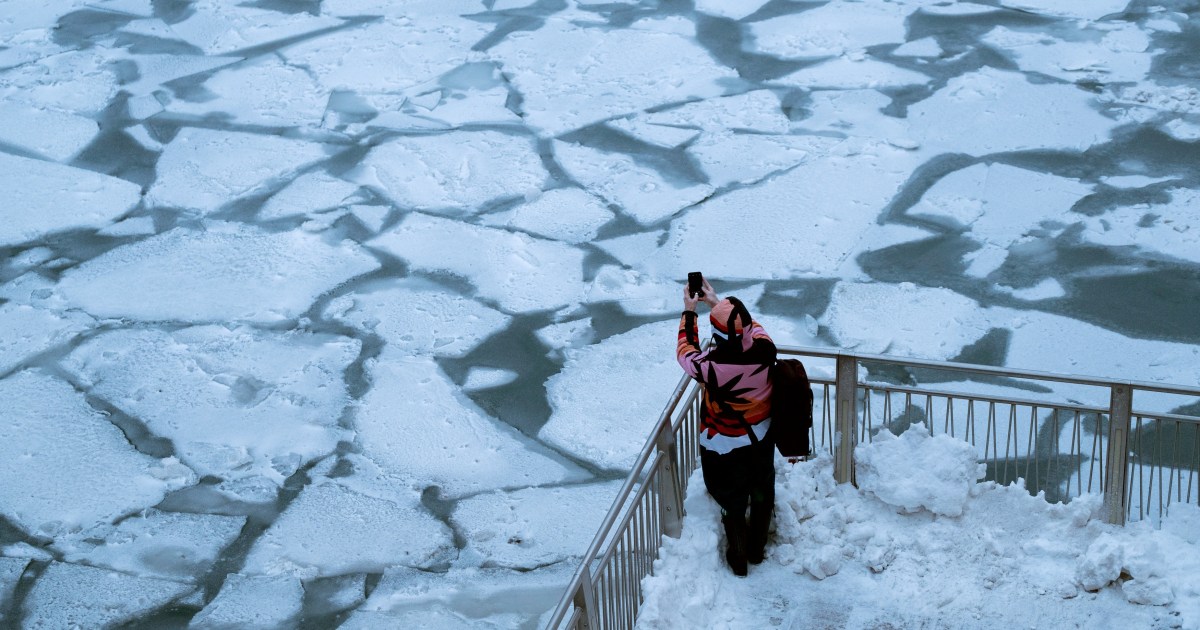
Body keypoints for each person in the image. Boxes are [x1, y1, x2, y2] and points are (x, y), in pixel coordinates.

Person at [676, 277, 777, 576]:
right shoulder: (765, 350)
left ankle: (738, 555)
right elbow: (752, 327)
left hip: (724, 443)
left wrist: (690, 312)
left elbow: (685, 352)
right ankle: (757, 548)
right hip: (760, 435)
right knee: (761, 490)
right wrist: (718, 303)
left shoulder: (712, 367)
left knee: (731, 496)